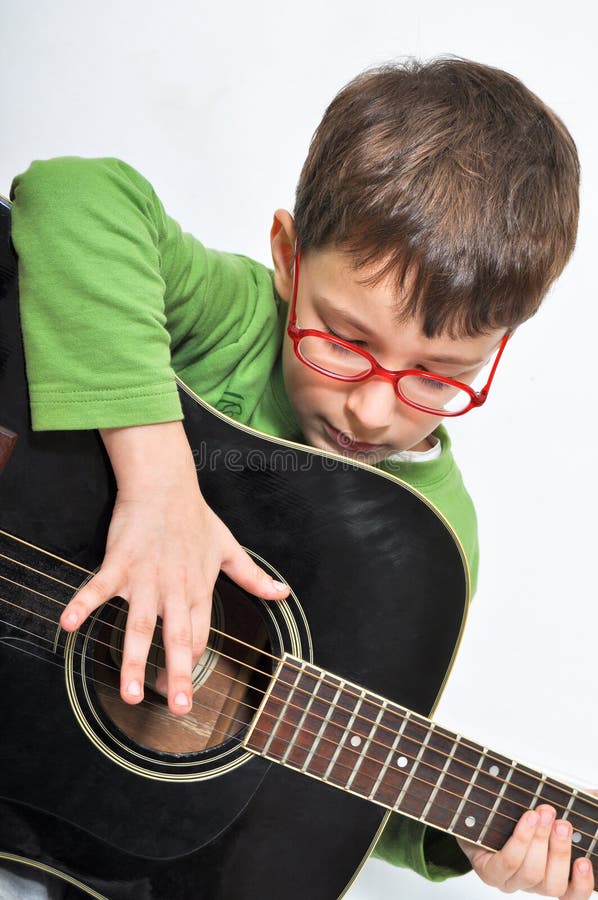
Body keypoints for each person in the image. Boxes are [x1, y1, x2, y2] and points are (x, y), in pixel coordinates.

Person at [6, 56, 593, 899]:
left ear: (496, 349)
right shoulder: (234, 321)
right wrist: (160, 481)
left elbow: (323, 759)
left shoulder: (427, 540)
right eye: (344, 344)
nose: (373, 413)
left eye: (437, 375)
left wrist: (472, 840)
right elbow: (74, 195)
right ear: (288, 258)